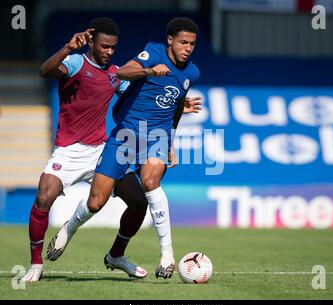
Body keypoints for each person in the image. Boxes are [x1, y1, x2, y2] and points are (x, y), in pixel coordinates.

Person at [47, 17, 200, 279]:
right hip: (126, 136)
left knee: (151, 182)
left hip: (157, 137)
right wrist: (151, 71)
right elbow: (122, 72)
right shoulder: (152, 52)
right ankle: (69, 228)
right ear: (170, 40)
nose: (188, 48)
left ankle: (166, 255)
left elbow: (175, 106)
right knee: (96, 202)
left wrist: (171, 140)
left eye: (193, 44)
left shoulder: (192, 73)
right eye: (183, 42)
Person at [22, 17, 150, 282]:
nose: (109, 52)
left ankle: (116, 255)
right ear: (91, 41)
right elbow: (45, 71)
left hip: (100, 151)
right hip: (68, 151)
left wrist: (175, 105)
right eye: (104, 46)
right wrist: (67, 48)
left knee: (139, 202)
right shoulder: (76, 62)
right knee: (44, 198)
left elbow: (134, 99)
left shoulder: (116, 73)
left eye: (113, 47)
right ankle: (36, 263)